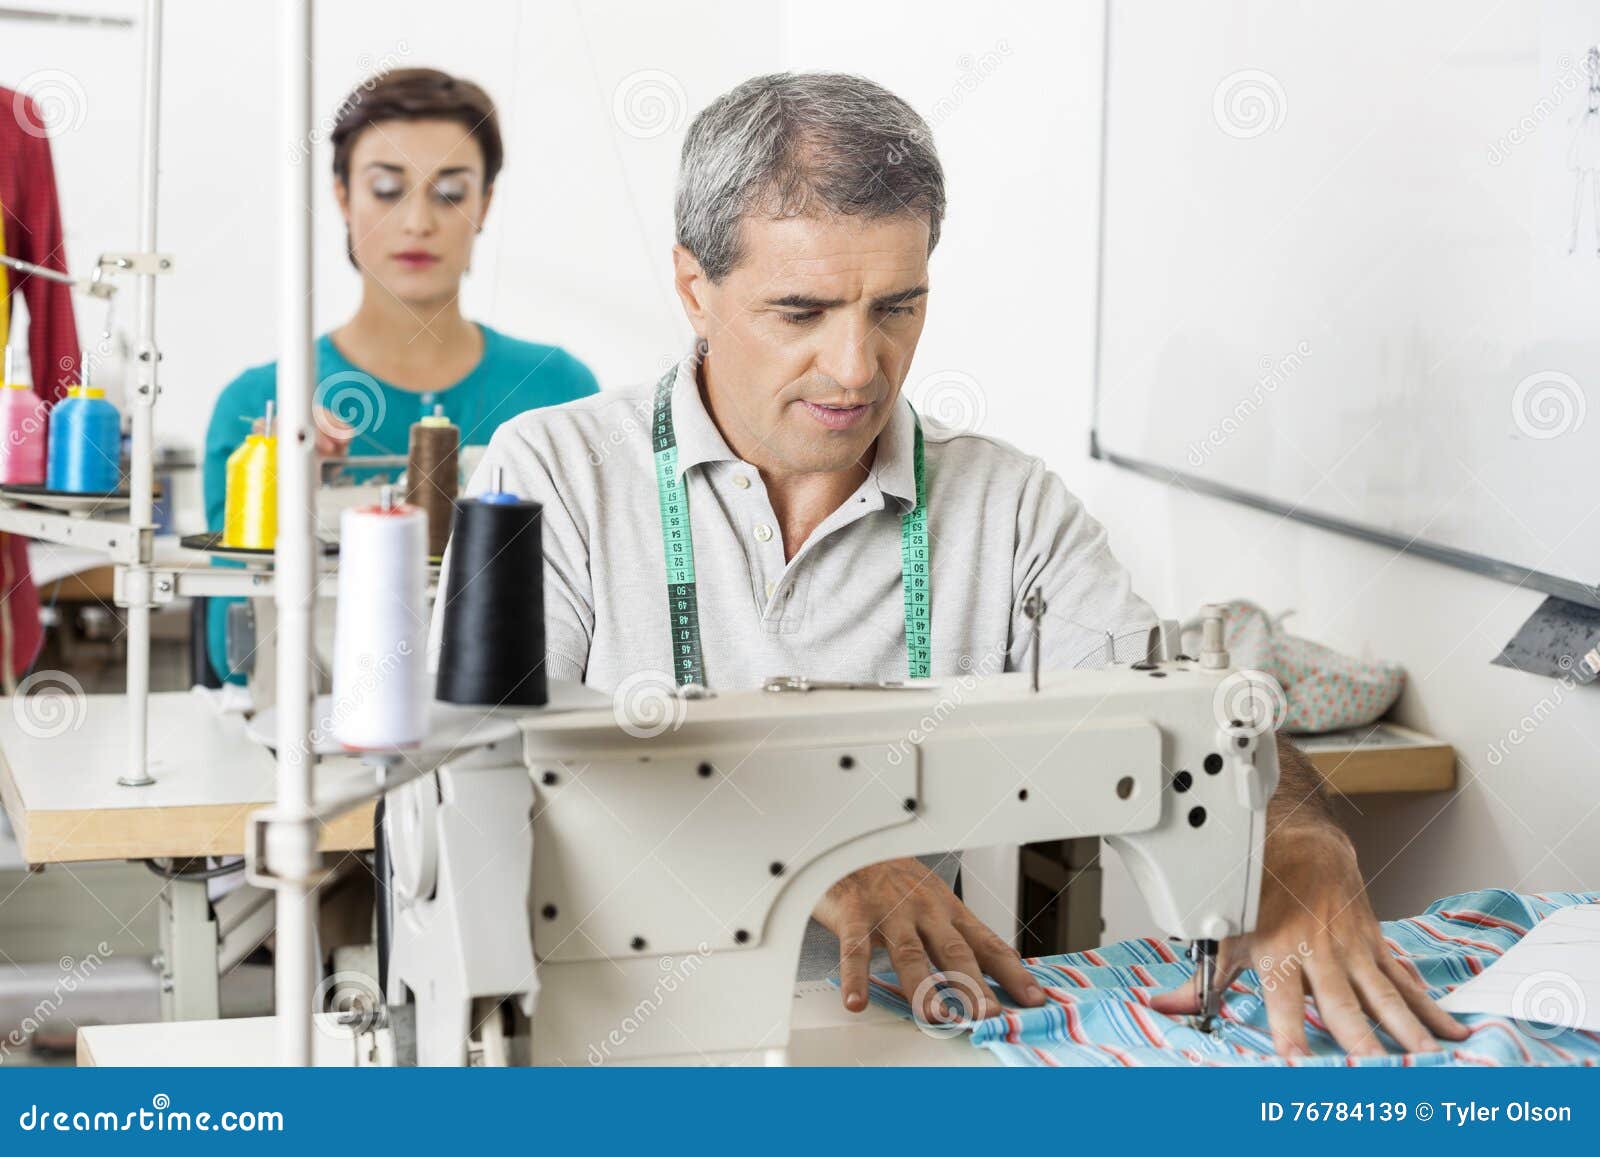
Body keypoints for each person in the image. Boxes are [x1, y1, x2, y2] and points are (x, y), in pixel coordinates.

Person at [440, 72, 1470, 1058]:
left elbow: (1184, 719)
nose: (856, 368)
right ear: (692, 288)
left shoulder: (1008, 510)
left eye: (897, 306)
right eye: (800, 312)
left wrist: (1293, 841)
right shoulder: (557, 472)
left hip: (893, 1025)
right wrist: (827, 858)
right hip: (612, 1023)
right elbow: (496, 774)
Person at [202, 68, 596, 681]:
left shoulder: (558, 390)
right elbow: (239, 655)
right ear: (341, 197)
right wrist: (290, 502)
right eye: (387, 189)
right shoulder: (260, 405)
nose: (417, 221)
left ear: (485, 204)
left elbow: (602, 619)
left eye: (450, 192)